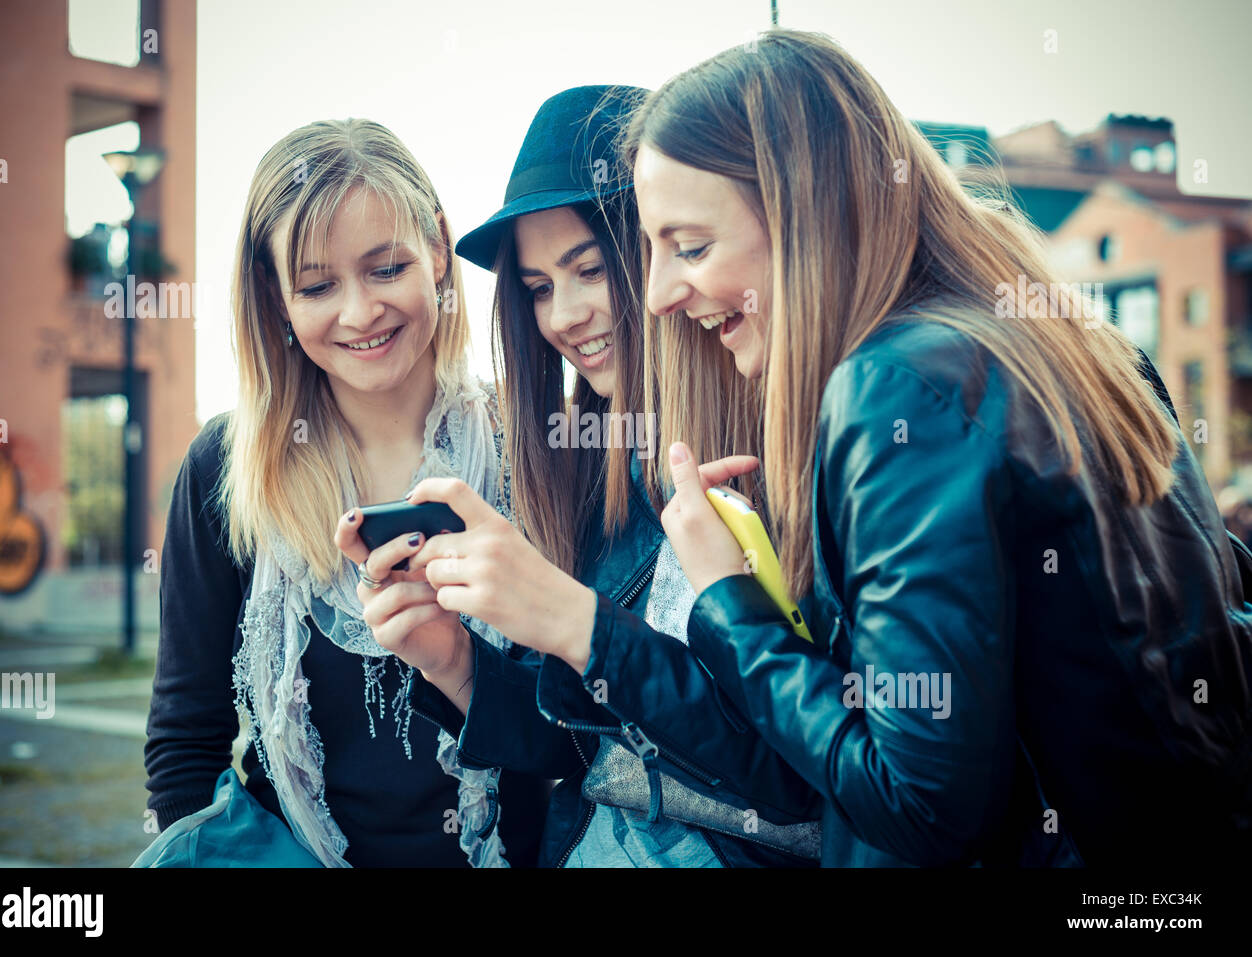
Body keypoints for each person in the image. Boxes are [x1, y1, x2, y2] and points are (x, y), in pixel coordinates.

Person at [621, 29, 1252, 867]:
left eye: (690, 246)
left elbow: (923, 807)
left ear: (808, 214)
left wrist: (729, 600)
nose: (660, 293)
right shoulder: (1059, 340)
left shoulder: (893, 391)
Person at [336, 86, 825, 867]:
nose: (561, 315)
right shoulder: (589, 469)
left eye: (588, 269)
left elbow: (803, 775)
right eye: (536, 289)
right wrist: (452, 659)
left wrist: (581, 623)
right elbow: (576, 748)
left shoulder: (787, 440)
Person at [143, 118, 548, 867]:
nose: (360, 313)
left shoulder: (538, 448)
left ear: (436, 247)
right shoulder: (223, 470)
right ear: (276, 298)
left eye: (386, 267)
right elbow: (186, 739)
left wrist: (459, 661)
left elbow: (578, 730)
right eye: (319, 285)